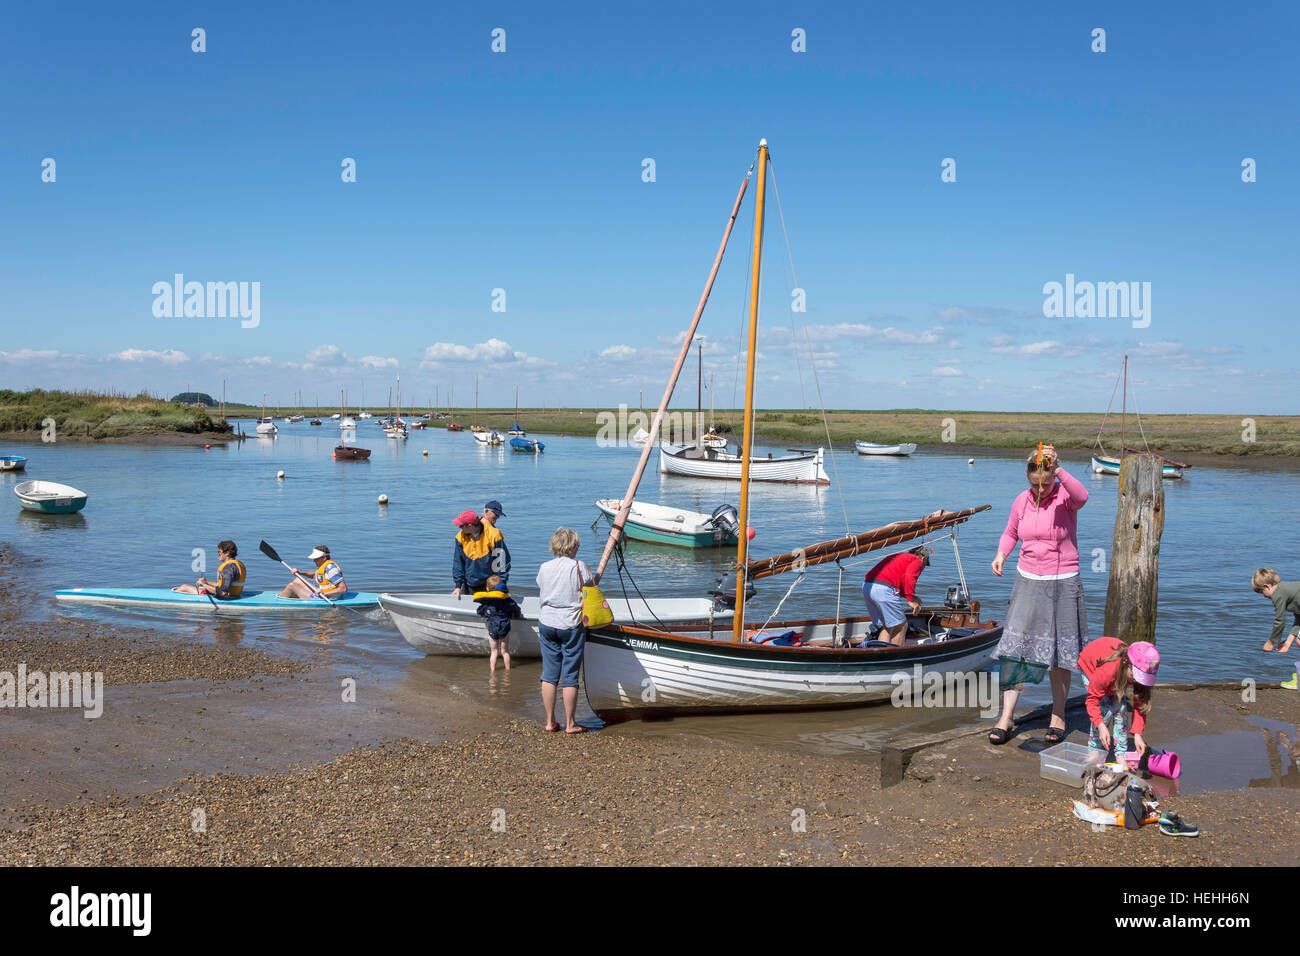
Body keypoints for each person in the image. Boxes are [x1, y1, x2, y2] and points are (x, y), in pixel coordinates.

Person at [987, 444, 1089, 746]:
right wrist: (1002, 554)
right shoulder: (1022, 500)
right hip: (1027, 580)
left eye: (1046, 482)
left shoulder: (1065, 498)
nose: (1041, 488)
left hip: (1063, 582)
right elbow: (1011, 532)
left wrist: (1058, 470)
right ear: (1028, 477)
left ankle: (1058, 715)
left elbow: (1083, 496)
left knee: (1058, 654)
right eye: (1035, 483)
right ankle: (1006, 717)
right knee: (1016, 648)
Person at [536, 527, 593, 734]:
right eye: (576, 544)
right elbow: (591, 588)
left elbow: (542, 587)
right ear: (572, 546)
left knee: (549, 674)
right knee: (569, 675)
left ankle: (550, 721)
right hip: (571, 624)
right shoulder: (579, 567)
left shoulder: (544, 567)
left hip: (547, 622)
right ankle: (570, 723)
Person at [1077, 636, 1159, 761]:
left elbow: (1141, 703)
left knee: (1120, 709)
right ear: (1127, 663)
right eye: (1137, 676)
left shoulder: (1135, 671)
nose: (1138, 681)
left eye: (1143, 677)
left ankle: (1120, 754)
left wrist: (1138, 734)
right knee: (1104, 710)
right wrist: (1101, 726)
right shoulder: (1107, 671)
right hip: (1090, 665)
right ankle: (1094, 750)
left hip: (1118, 673)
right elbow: (1092, 701)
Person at [861, 545, 931, 646]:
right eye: (925, 564)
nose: (923, 568)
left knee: (888, 626)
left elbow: (896, 581)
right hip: (883, 589)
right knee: (901, 626)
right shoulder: (917, 560)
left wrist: (910, 596)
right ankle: (896, 657)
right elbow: (909, 576)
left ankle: (882, 655)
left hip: (868, 586)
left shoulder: (899, 557)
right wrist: (910, 600)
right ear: (923, 558)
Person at [451, 510, 510, 597]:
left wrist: (501, 584)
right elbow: (458, 562)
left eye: (461, 526)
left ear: (470, 526)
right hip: (471, 583)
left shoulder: (494, 535)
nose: (459, 527)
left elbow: (501, 562)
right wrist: (458, 586)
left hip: (491, 584)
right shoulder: (460, 537)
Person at [474, 574, 522, 673]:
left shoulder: (487, 602)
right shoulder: (507, 600)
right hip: (504, 627)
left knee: (494, 651)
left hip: (492, 628)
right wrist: (516, 616)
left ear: (487, 589)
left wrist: (485, 613)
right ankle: (508, 671)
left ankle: (492, 672)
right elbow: (516, 610)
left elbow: (479, 611)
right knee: (505, 652)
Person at [173, 539, 245, 599]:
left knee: (184, 587)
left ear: (227, 553)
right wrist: (207, 582)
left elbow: (223, 593)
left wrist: (204, 585)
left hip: (226, 598)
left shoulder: (228, 568)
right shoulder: (237, 564)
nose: (218, 554)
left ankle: (172, 600)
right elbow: (223, 585)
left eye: (219, 552)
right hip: (235, 595)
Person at [1252, 569, 1300, 654]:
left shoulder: (1278, 594)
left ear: (1267, 586)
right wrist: (1288, 642)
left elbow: (1280, 620)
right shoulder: (1286, 590)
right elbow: (1299, 619)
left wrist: (1271, 642)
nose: (1264, 596)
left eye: (1262, 592)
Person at [279, 545, 346, 600]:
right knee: (298, 579)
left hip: (328, 598)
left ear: (324, 558)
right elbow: (315, 574)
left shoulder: (332, 570)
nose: (314, 561)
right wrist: (300, 573)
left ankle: (280, 601)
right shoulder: (324, 566)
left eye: (316, 559)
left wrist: (324, 593)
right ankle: (289, 595)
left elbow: (343, 589)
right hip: (322, 594)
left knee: (292, 586)